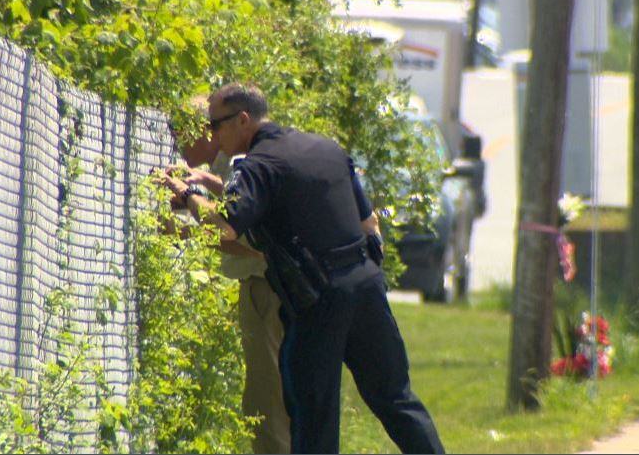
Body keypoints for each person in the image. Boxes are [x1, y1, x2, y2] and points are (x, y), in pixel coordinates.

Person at [161, 83, 444, 454]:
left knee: (312, 414)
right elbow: (368, 222)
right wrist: (212, 182)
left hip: (319, 301)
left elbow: (229, 224)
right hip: (365, 287)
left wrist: (187, 194)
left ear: (243, 120)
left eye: (215, 126)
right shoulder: (325, 148)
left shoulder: (258, 164)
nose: (211, 135)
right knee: (395, 399)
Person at [169, 101, 292, 454]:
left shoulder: (238, 165)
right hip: (268, 290)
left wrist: (184, 230)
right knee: (277, 394)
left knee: (265, 400)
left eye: (179, 133)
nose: (178, 144)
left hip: (266, 291)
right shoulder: (229, 167)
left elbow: (254, 245)